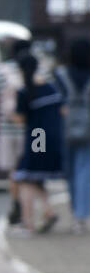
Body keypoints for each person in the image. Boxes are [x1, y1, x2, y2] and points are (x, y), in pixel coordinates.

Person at [12, 52, 65, 235]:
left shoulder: (24, 91)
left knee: (25, 177)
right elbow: (62, 110)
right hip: (54, 136)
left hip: (37, 136)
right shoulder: (51, 87)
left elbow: (20, 119)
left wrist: (11, 114)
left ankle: (28, 224)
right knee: (35, 177)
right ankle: (48, 210)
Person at [0, 38, 33, 225]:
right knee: (37, 168)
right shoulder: (40, 70)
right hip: (37, 131)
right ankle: (39, 208)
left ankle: (17, 204)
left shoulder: (0, 71)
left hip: (7, 130)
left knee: (14, 170)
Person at [56, 39, 90, 233]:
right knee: (85, 171)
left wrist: (41, 141)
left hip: (65, 128)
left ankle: (74, 209)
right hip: (88, 129)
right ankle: (81, 216)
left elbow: (56, 101)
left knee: (69, 172)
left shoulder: (61, 75)